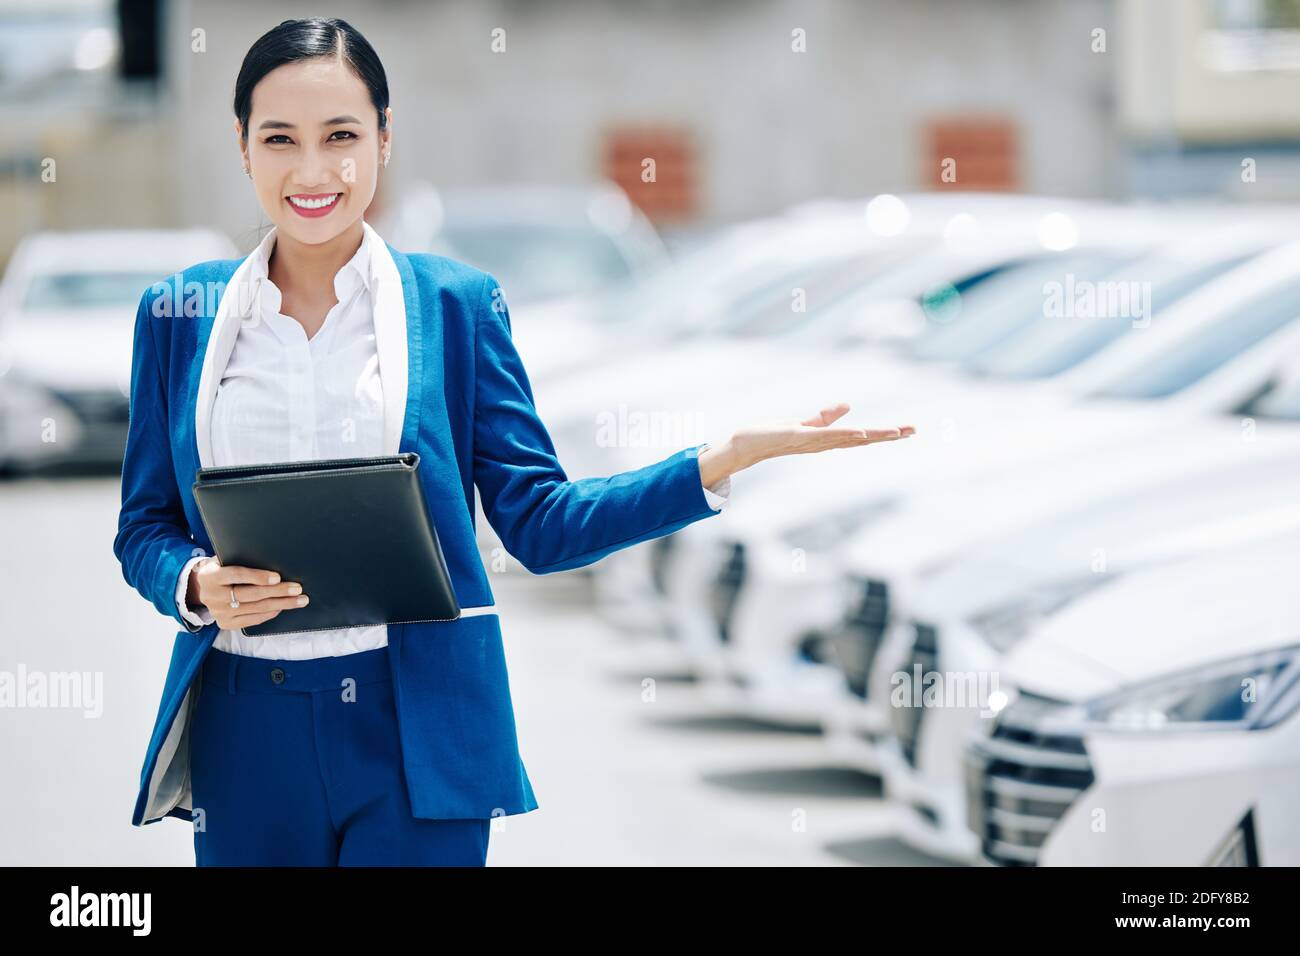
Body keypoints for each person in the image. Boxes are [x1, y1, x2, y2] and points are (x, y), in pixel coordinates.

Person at [113, 16, 914, 867]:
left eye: (341, 135)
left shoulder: (456, 306)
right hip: (247, 727)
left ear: (384, 138)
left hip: (414, 727)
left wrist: (713, 465)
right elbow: (144, 527)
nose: (313, 170)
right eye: (280, 138)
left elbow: (539, 520)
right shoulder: (182, 314)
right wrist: (195, 582)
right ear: (242, 145)